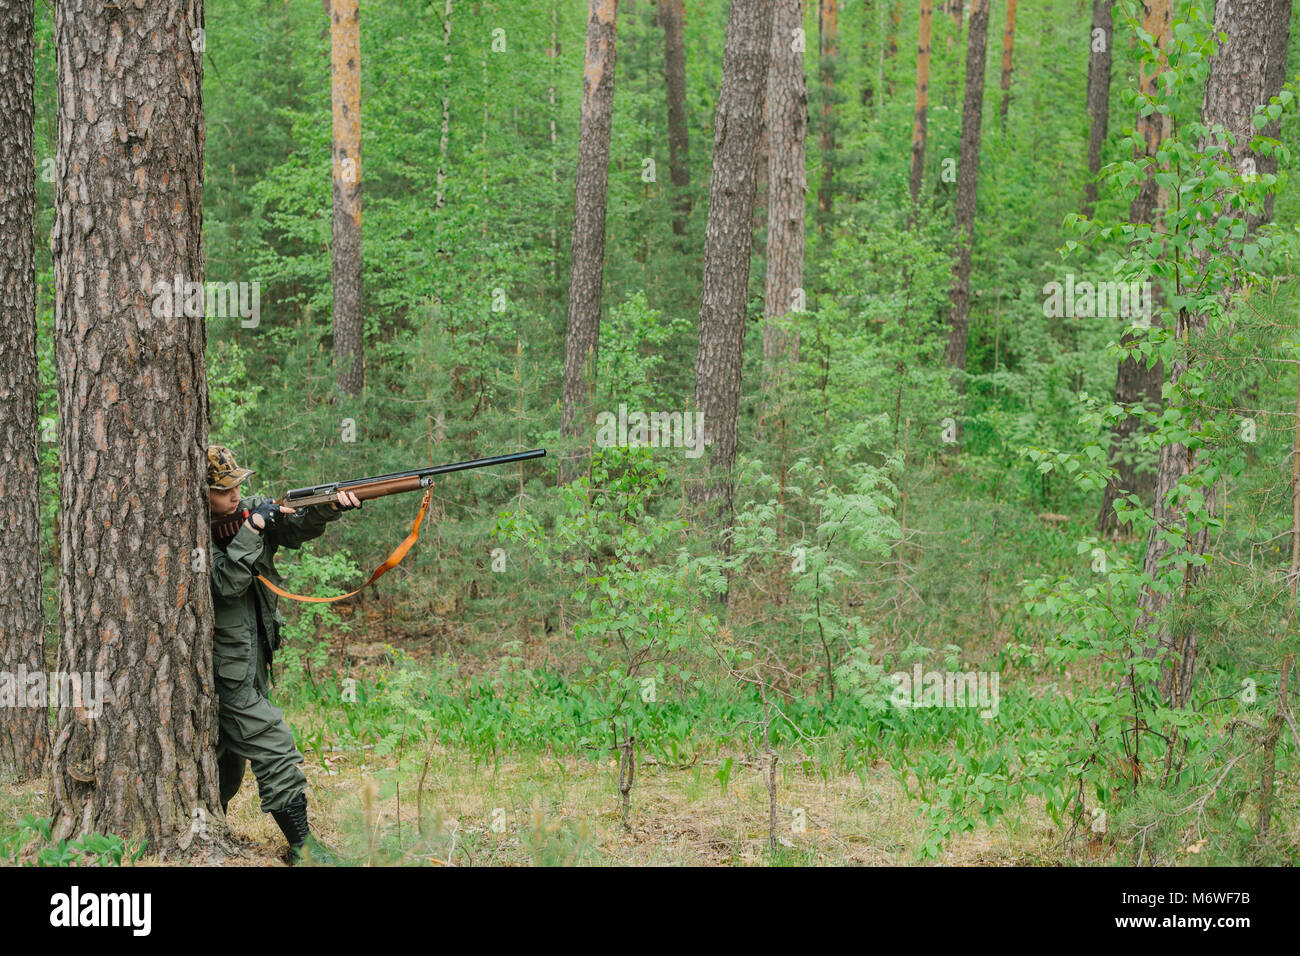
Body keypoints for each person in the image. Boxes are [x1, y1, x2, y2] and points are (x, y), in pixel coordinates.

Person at [206, 444, 361, 864]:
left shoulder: (246, 511)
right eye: (224, 491)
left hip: (251, 660)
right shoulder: (192, 533)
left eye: (237, 487)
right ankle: (304, 851)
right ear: (202, 494)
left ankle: (206, 838)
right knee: (274, 746)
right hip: (224, 670)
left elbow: (293, 526)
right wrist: (253, 528)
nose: (236, 496)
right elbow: (224, 584)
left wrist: (328, 507)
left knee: (227, 765)